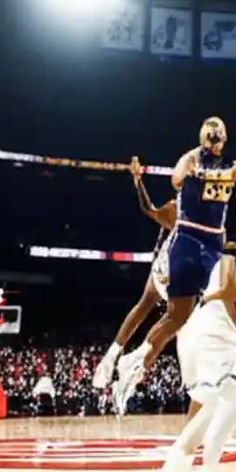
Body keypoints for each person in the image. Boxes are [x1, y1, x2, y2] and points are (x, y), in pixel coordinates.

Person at [114, 98, 236, 413]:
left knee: (218, 306)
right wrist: (194, 154)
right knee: (176, 314)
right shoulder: (192, 162)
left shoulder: (230, 169)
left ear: (225, 138)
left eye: (219, 130)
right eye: (211, 130)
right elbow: (175, 178)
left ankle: (216, 373)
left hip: (213, 245)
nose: (215, 134)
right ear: (203, 136)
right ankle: (138, 361)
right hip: (187, 237)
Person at [141, 220, 236, 472]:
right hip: (211, 334)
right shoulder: (232, 259)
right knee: (220, 403)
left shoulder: (226, 258)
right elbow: (233, 296)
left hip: (202, 332)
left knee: (215, 405)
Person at [93, 156, 177, 389]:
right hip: (174, 266)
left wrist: (138, 181)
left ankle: (117, 358)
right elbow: (148, 209)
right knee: (170, 317)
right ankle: (130, 361)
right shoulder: (179, 208)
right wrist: (138, 182)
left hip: (173, 263)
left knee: (147, 308)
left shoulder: (190, 207)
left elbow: (148, 210)